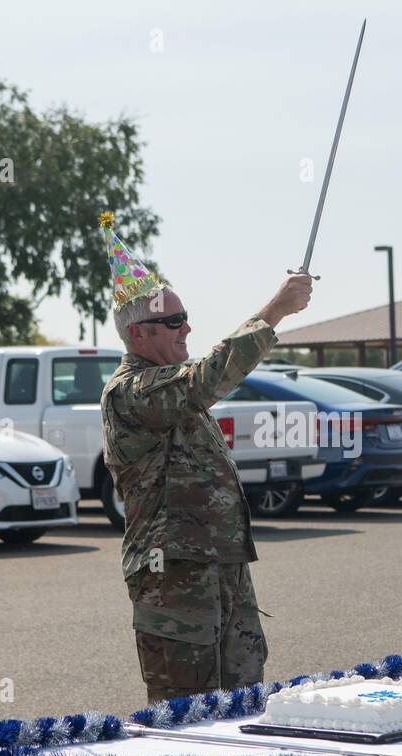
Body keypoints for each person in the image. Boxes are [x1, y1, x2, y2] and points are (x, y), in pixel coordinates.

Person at [98, 212, 312, 703]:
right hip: (173, 576)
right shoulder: (131, 392)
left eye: (185, 316)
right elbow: (206, 378)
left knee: (242, 702)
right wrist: (274, 310)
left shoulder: (169, 385)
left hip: (222, 568)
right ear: (138, 335)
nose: (186, 328)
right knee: (186, 712)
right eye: (172, 321)